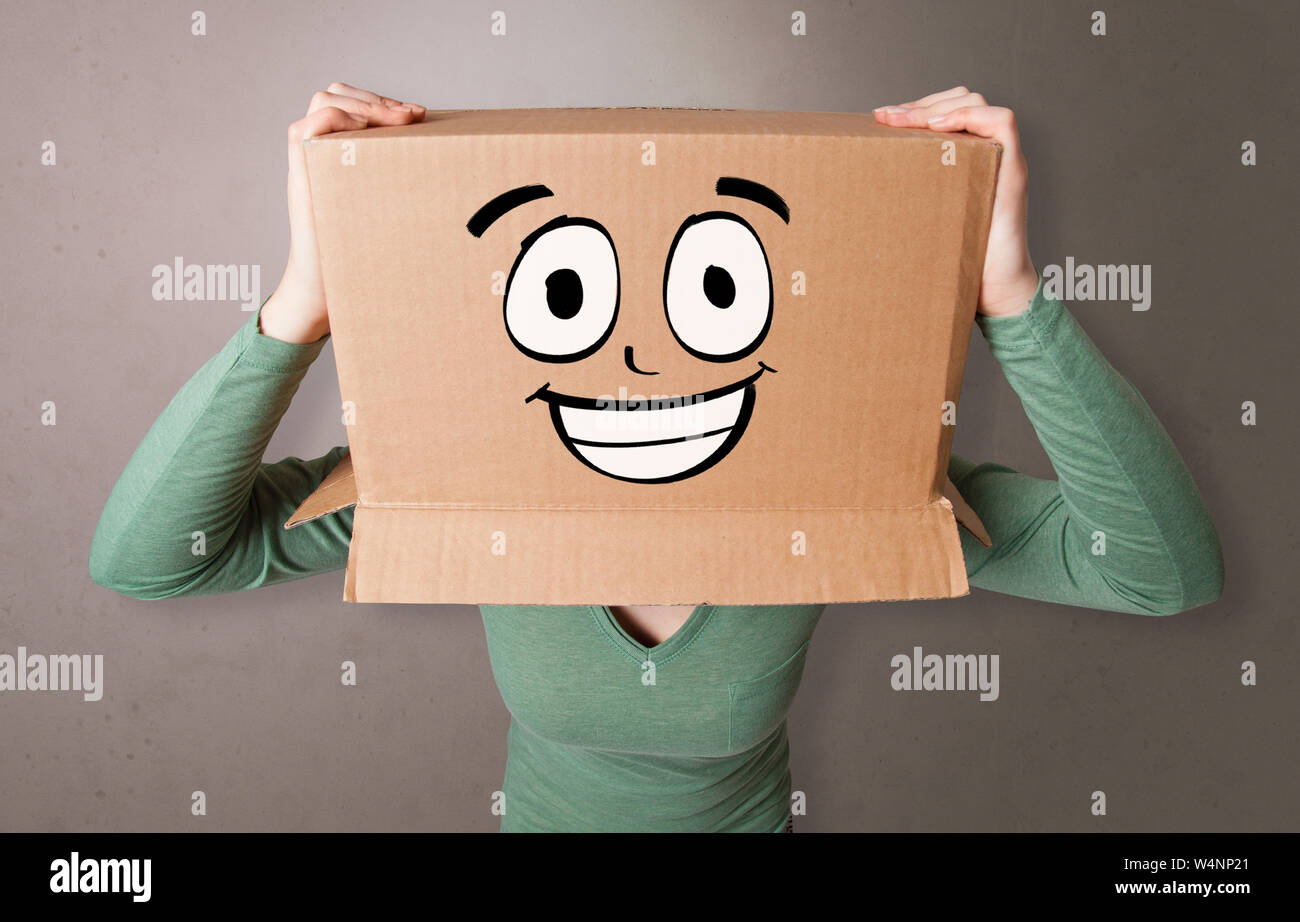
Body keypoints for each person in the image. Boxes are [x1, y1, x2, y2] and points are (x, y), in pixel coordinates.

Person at [88, 84, 1224, 833]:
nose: (639, 352)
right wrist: (306, 298)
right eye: (573, 299)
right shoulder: (471, 481)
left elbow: (1155, 572)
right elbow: (153, 559)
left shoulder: (839, 487)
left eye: (714, 293)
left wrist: (1008, 295)